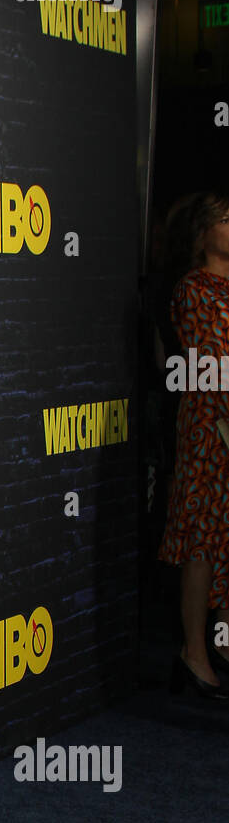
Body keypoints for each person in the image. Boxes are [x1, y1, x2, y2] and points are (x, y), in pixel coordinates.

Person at [159, 191, 229, 698]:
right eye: (226, 221)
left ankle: (224, 644)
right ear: (203, 234)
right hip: (210, 427)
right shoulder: (193, 290)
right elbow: (207, 363)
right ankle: (194, 652)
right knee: (202, 539)